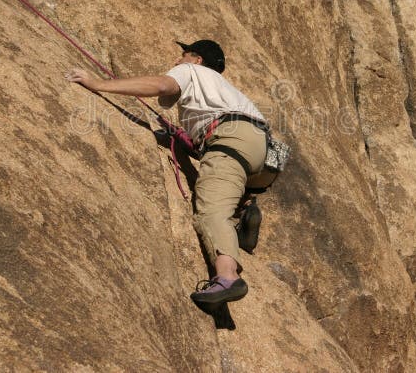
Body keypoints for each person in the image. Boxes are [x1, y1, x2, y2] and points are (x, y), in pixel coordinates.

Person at [65, 39, 267, 305]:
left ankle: (228, 277)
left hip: (230, 143)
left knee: (211, 210)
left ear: (196, 60)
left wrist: (99, 84)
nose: (176, 62)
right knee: (228, 179)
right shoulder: (227, 91)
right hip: (262, 155)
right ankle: (243, 213)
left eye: (182, 56)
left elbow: (162, 85)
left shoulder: (192, 71)